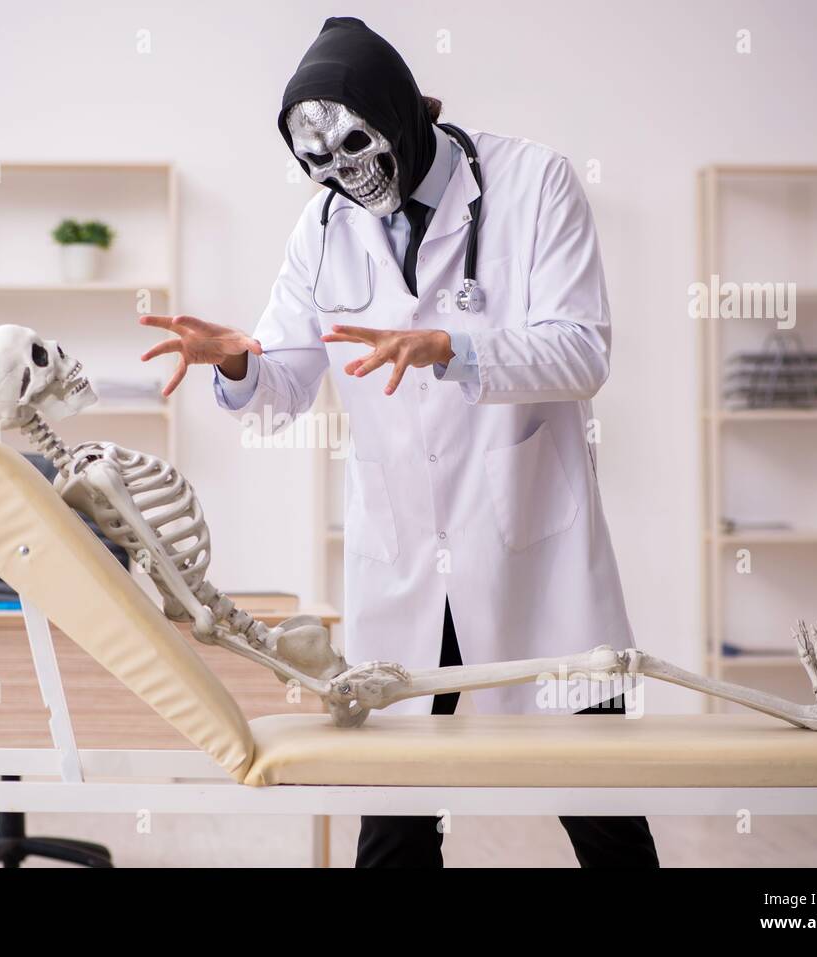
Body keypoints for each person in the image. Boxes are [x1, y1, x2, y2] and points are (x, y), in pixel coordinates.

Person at [140, 16, 657, 869]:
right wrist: (237, 362)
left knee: (600, 810)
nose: (344, 177)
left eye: (356, 147)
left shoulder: (535, 182)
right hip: (406, 566)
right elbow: (286, 381)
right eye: (321, 164)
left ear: (401, 113)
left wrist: (458, 348)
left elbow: (584, 350)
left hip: (537, 565)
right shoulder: (322, 228)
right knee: (393, 826)